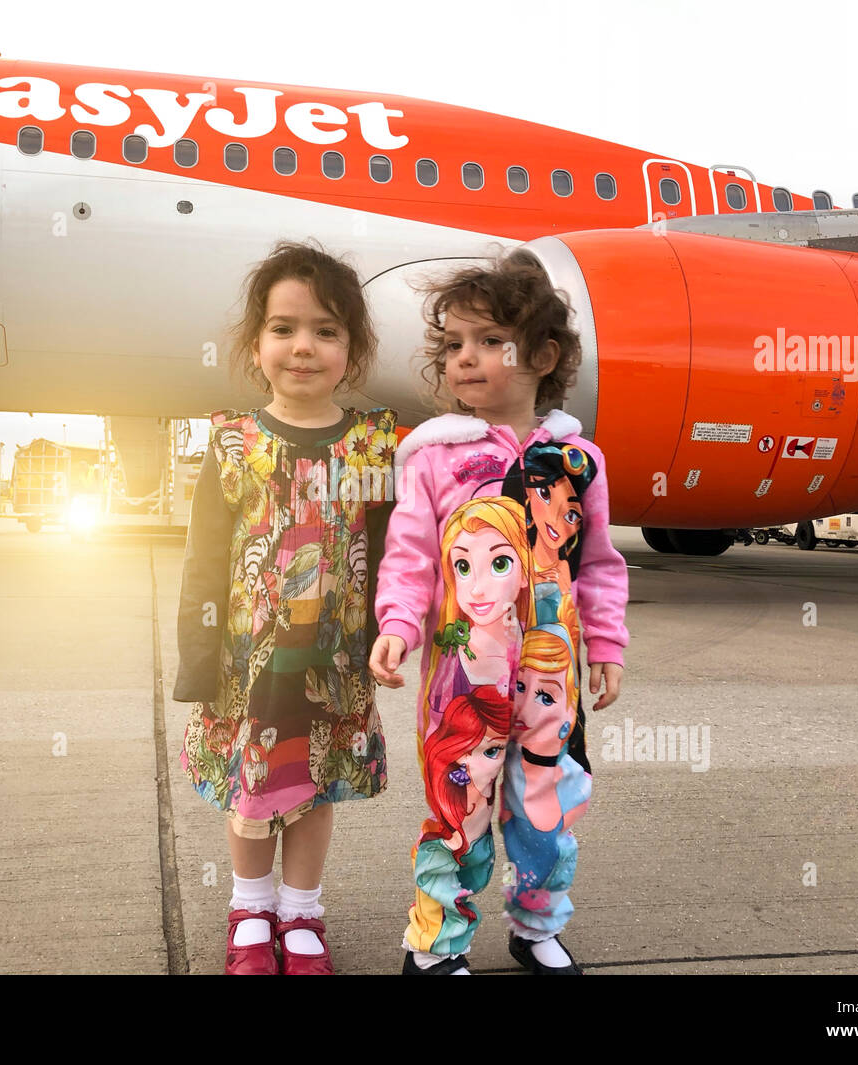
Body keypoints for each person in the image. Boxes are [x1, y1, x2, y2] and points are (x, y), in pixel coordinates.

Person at [370, 252, 629, 975]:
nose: (465, 357)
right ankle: (436, 943)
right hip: (462, 680)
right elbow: (409, 556)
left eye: (489, 341)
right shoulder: (432, 459)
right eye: (454, 344)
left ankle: (537, 925)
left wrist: (607, 645)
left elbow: (599, 563)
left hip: (551, 678)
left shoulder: (577, 461)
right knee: (460, 808)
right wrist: (396, 624)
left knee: (548, 806)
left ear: (542, 356)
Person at [174, 240, 397, 975]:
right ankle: (250, 910)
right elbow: (204, 561)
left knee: (315, 787)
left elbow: (390, 556)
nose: (303, 346)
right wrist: (198, 658)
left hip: (333, 666)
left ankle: (301, 915)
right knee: (253, 790)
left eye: (326, 331)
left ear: (352, 351)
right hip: (248, 667)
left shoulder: (372, 447)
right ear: (256, 345)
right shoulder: (233, 445)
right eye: (283, 328)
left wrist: (391, 633)